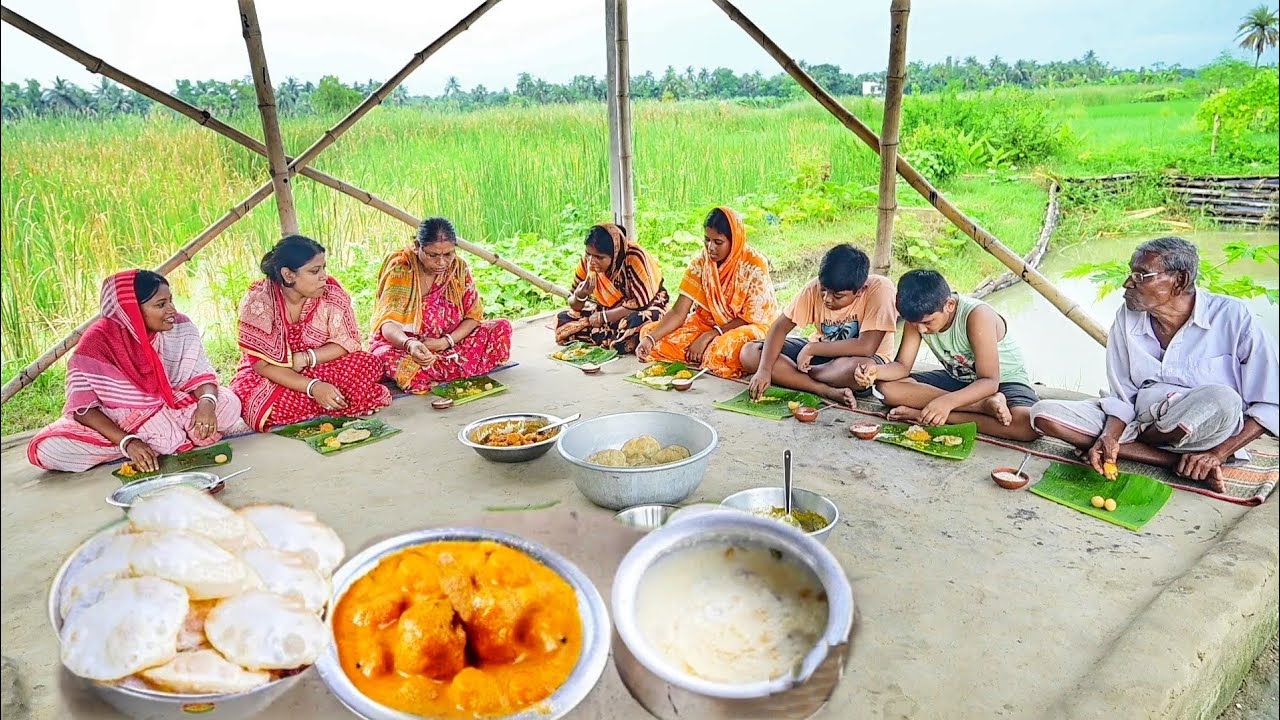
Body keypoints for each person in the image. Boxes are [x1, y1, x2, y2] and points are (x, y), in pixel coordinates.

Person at [1031, 237, 1278, 491]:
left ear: (1179, 281)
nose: (1128, 283)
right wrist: (1109, 436)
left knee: (1225, 399)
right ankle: (1172, 462)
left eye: (1141, 275)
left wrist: (1217, 454)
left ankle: (1165, 453)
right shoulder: (1127, 316)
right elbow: (1123, 395)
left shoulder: (1233, 317)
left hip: (1201, 432)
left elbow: (1270, 403)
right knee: (1043, 415)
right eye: (1131, 273)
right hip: (1137, 422)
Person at [28, 270, 243, 472]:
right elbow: (84, 409)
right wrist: (127, 442)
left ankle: (161, 441)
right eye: (161, 304)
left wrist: (206, 403)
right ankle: (152, 443)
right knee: (49, 449)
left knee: (229, 404)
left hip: (174, 405)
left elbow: (200, 375)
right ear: (131, 310)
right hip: (121, 421)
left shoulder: (180, 326)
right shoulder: (96, 343)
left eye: (171, 301)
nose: (172, 310)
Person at [853, 269, 1040, 441]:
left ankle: (931, 415)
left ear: (949, 305)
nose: (921, 330)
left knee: (1027, 426)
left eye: (928, 322)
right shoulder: (917, 318)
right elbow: (902, 366)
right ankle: (981, 406)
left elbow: (989, 381)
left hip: (1003, 382)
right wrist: (875, 371)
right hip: (959, 378)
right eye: (915, 324)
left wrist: (946, 403)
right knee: (885, 389)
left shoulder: (977, 315)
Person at [231, 234, 392, 431]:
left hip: (320, 364)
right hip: (275, 376)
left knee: (368, 363)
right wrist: (313, 387)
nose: (323, 276)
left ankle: (328, 401)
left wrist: (307, 358)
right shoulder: (260, 300)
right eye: (315, 271)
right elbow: (261, 365)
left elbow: (347, 342)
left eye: (324, 267)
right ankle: (339, 401)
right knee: (253, 400)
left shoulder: (330, 290)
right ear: (288, 275)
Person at [741, 244, 896, 407]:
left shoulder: (880, 289)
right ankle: (824, 390)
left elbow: (866, 347)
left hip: (859, 362)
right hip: (821, 356)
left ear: (860, 290)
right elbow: (780, 328)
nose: (827, 298)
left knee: (860, 372)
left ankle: (799, 375)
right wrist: (764, 370)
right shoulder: (814, 288)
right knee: (750, 353)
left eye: (838, 296)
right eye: (823, 290)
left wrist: (811, 349)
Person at [371, 217, 513, 392]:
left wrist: (445, 342)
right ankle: (455, 368)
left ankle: (438, 370)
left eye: (448, 254)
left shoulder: (458, 268)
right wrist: (410, 344)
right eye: (433, 255)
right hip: (410, 348)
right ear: (417, 246)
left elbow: (473, 317)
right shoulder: (401, 267)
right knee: (385, 357)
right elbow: (387, 324)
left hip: (451, 342)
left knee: (501, 328)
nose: (441, 262)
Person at [636, 207, 778, 378]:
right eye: (707, 240)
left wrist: (710, 335)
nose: (710, 248)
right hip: (706, 323)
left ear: (734, 241)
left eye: (718, 242)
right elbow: (678, 312)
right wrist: (650, 339)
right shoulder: (702, 262)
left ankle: (708, 353)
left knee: (720, 350)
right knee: (650, 333)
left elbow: (751, 319)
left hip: (746, 327)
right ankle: (704, 355)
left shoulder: (754, 264)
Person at [555, 222, 668, 354]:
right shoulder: (587, 262)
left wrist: (604, 317)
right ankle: (614, 339)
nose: (591, 261)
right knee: (562, 319)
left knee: (638, 321)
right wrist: (581, 295)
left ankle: (608, 336)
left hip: (643, 308)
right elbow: (574, 305)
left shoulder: (634, 257)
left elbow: (641, 303)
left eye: (599, 257)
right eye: (588, 254)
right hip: (605, 310)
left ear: (614, 254)